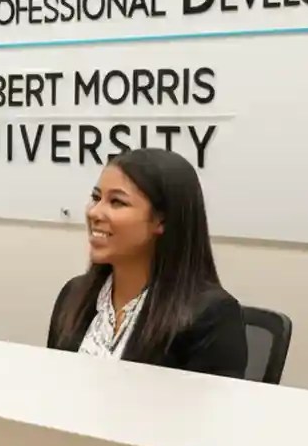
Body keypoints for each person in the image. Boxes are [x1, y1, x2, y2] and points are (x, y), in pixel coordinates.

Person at [46, 148, 247, 377]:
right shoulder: (74, 294)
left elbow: (205, 411)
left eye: (117, 202)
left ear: (162, 220)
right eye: (96, 198)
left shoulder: (211, 316)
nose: (95, 212)